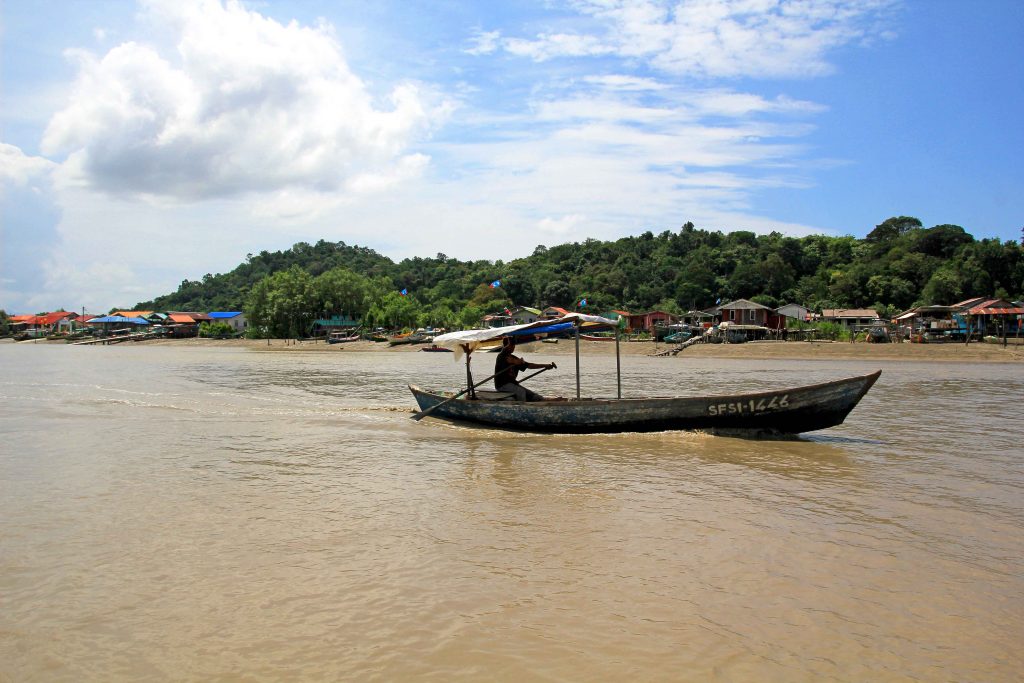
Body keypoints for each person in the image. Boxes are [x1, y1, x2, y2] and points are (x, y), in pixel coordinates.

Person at [493, 336, 555, 401]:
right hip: (502, 385)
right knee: (521, 392)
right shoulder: (501, 356)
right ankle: (522, 408)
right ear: (507, 346)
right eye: (511, 345)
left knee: (534, 396)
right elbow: (505, 351)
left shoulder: (515, 359)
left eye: (514, 345)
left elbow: (529, 365)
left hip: (513, 384)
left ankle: (544, 401)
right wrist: (508, 343)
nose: (513, 347)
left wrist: (545, 366)